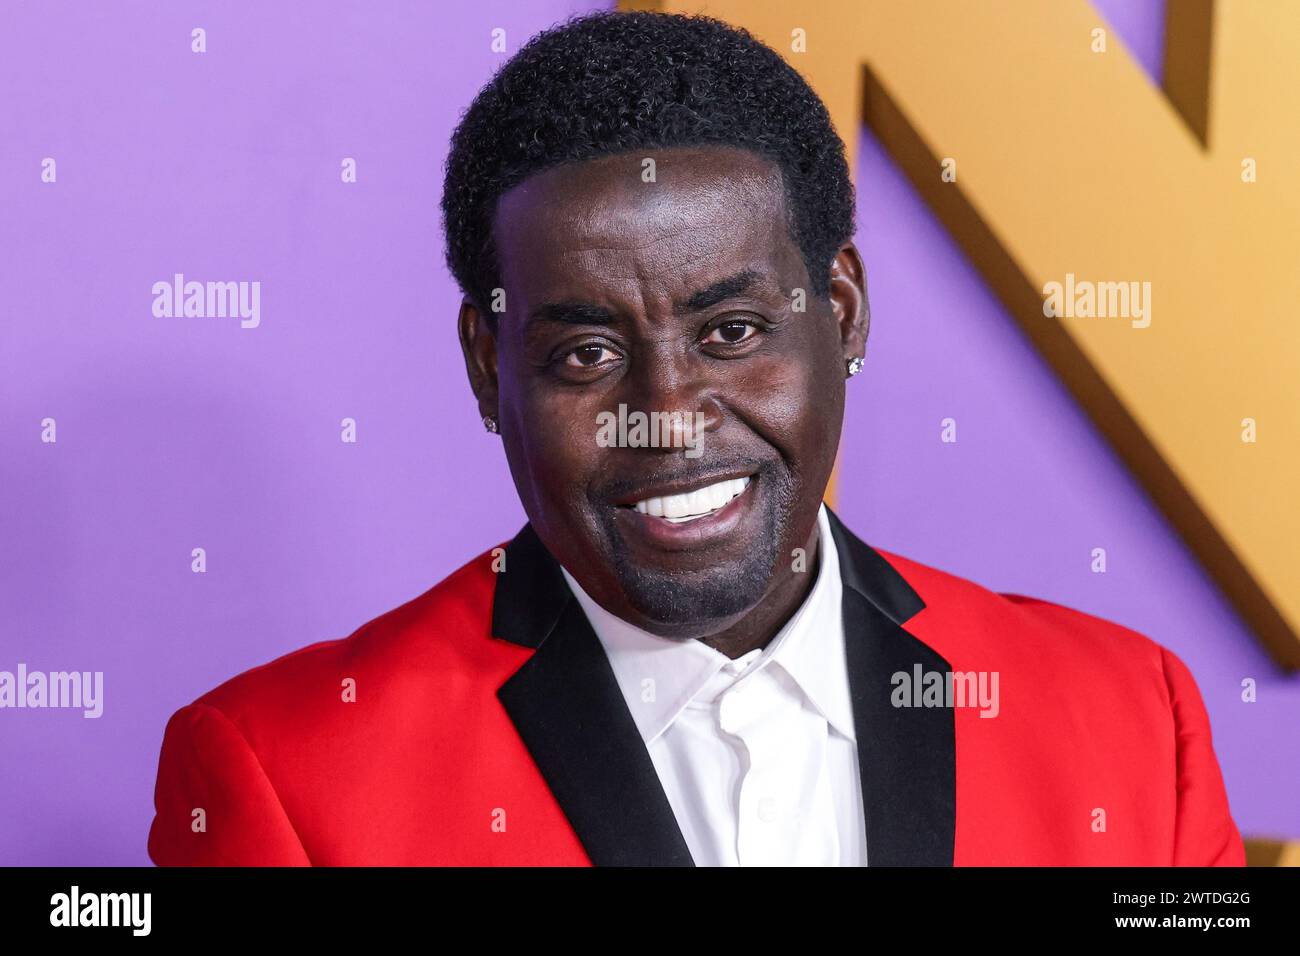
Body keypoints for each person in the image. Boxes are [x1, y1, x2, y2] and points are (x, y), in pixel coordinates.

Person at [147, 10, 1244, 866]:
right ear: (489, 365)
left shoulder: (1131, 717)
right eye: (585, 354)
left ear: (844, 312)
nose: (666, 415)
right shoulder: (284, 772)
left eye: (731, 331)